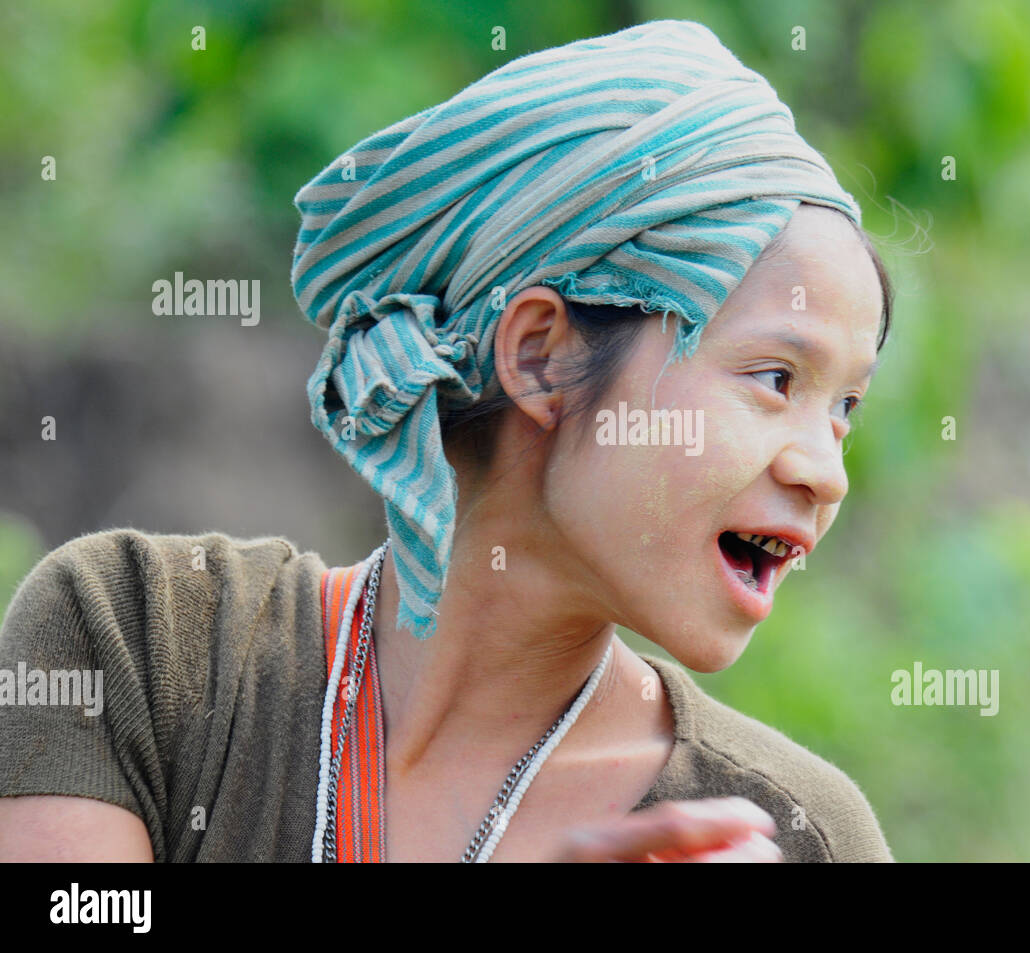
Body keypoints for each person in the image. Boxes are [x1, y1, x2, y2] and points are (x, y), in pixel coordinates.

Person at [0, 20, 895, 862]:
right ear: (540, 355)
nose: (825, 471)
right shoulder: (139, 643)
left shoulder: (799, 832)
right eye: (776, 378)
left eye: (844, 406)